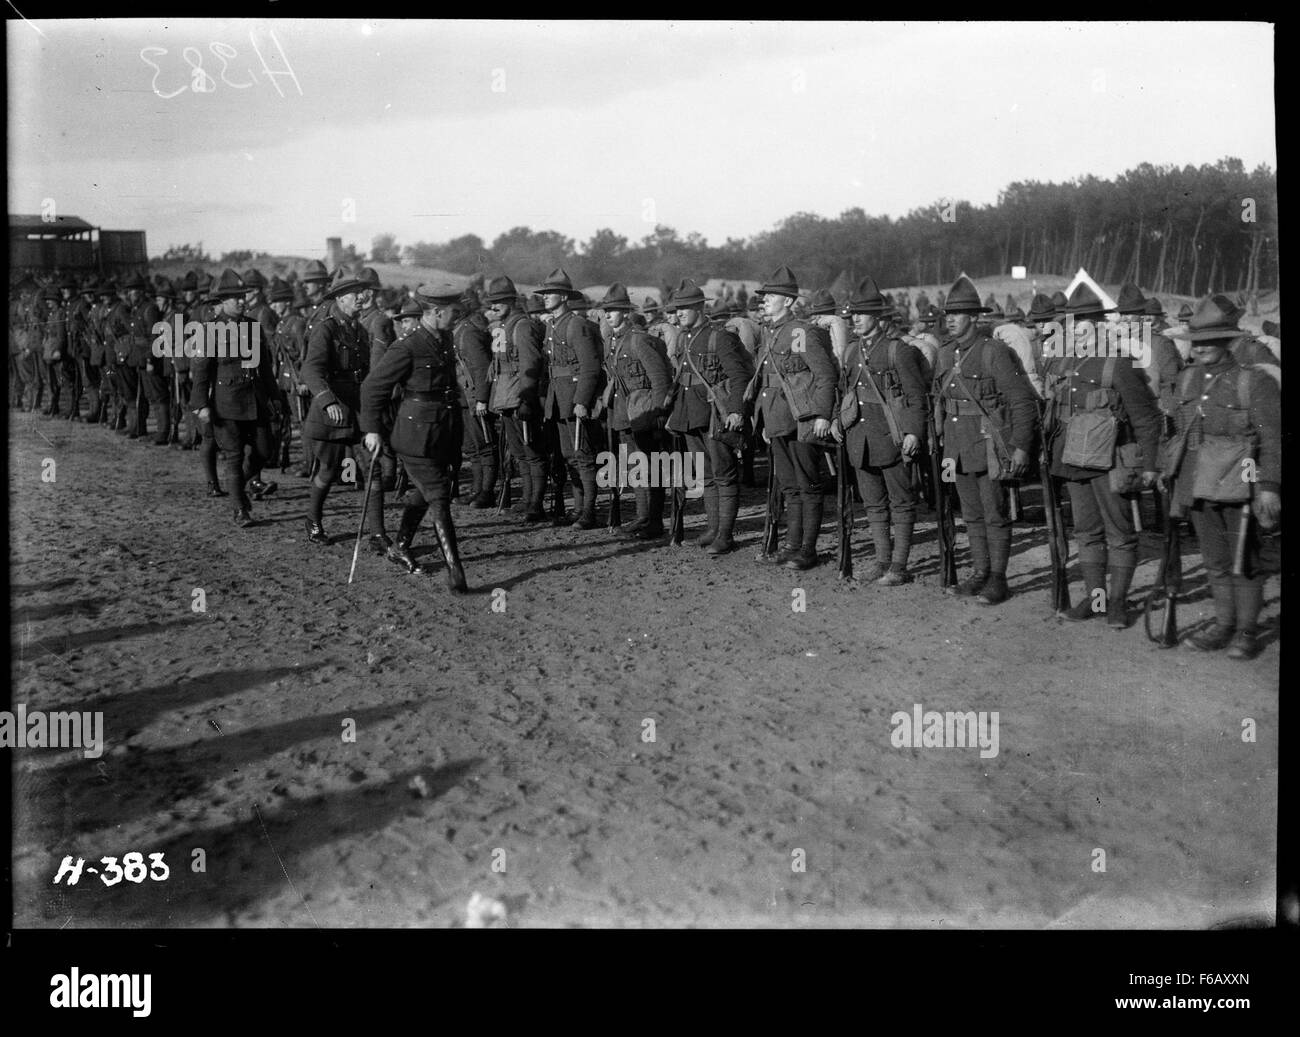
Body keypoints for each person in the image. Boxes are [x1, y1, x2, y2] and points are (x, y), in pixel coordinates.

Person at [1166, 296, 1281, 659]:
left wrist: (1267, 488)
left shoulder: (1254, 382)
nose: (1198, 349)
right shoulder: (1187, 380)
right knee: (1215, 560)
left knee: (1243, 561)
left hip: (1240, 482)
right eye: (1195, 342)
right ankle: (1223, 624)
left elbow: (1272, 440)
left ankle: (1246, 632)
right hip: (1198, 481)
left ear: (1227, 340)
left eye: (1207, 342)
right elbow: (1176, 432)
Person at [1043, 283, 1162, 628]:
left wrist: (1151, 464)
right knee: (1086, 531)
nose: (1073, 331)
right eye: (1070, 324)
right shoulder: (1064, 362)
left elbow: (1145, 417)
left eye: (1080, 324)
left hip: (1110, 460)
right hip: (1073, 459)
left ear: (1098, 325)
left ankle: (1119, 603)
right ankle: (1097, 601)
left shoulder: (1118, 364)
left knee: (1120, 533)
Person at [932, 273, 1039, 604]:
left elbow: (1022, 400)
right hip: (956, 447)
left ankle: (998, 579)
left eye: (957, 314)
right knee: (971, 514)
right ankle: (980, 573)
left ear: (975, 317)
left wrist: (1021, 447)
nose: (950, 320)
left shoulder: (993, 352)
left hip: (990, 445)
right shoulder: (946, 353)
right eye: (948, 314)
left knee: (994, 514)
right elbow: (939, 400)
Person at [360, 284, 467, 591]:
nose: (457, 315)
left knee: (426, 491)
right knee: (439, 496)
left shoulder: (445, 338)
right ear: (436, 312)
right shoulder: (407, 346)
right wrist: (372, 430)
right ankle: (455, 571)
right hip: (414, 435)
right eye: (453, 311)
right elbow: (372, 387)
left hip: (442, 431)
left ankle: (400, 546)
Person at [831, 276, 929, 584]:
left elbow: (916, 396)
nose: (856, 319)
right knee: (873, 504)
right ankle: (881, 560)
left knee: (901, 502)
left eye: (862, 314)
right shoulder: (850, 352)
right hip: (860, 439)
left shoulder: (897, 351)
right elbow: (844, 391)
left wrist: (913, 432)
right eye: (853, 315)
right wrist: (836, 420)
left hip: (892, 437)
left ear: (877, 316)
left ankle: (899, 566)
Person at [745, 266, 837, 570]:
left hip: (802, 419)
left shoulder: (800, 331)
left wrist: (822, 414)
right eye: (764, 296)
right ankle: (792, 545)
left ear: (787, 300)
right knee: (789, 486)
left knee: (808, 485)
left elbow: (824, 375)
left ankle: (807, 550)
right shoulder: (770, 332)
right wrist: (763, 421)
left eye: (770, 296)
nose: (764, 301)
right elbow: (766, 381)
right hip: (777, 419)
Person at [189, 269, 282, 527]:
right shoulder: (209, 330)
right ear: (222, 301)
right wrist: (201, 405)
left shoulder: (253, 326)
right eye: (235, 297)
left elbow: (265, 368)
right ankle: (240, 509)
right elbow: (201, 372)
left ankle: (236, 487)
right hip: (226, 403)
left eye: (243, 296)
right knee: (234, 456)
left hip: (255, 400)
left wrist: (275, 398)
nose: (242, 300)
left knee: (264, 451)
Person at [301, 267, 383, 545]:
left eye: (361, 293)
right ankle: (313, 520)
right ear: (340, 299)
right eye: (354, 294)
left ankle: (378, 534)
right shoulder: (326, 328)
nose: (360, 298)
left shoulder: (359, 330)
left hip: (359, 410)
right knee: (328, 469)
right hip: (333, 412)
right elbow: (311, 370)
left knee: (373, 468)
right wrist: (327, 401)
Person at [597, 282, 675, 539]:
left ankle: (654, 521)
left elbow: (659, 379)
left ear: (626, 312)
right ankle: (643, 517)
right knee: (634, 465)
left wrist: (658, 414)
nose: (608, 315)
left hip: (644, 412)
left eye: (613, 310)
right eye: (606, 311)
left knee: (650, 467)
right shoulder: (613, 341)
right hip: (623, 412)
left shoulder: (638, 340)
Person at [534, 267, 604, 529]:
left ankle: (589, 513)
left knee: (583, 456)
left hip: (574, 399)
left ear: (564, 297)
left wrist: (582, 401)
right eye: (544, 293)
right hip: (559, 399)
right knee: (569, 455)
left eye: (550, 293)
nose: (545, 297)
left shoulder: (576, 325)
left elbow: (590, 367)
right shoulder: (552, 325)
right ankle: (577, 509)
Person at [483, 275, 547, 521]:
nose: (494, 306)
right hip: (505, 396)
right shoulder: (503, 327)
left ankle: (536, 504)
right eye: (492, 302)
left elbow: (531, 364)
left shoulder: (522, 326)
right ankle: (527, 500)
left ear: (512, 300)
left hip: (520, 396)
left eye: (499, 301)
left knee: (533, 451)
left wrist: (527, 399)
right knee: (519, 452)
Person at [452, 287, 497, 507]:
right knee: (471, 447)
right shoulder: (460, 329)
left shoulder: (468, 332)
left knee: (484, 445)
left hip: (473, 397)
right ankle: (476, 490)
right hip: (463, 396)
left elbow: (481, 368)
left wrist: (481, 399)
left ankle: (487, 492)